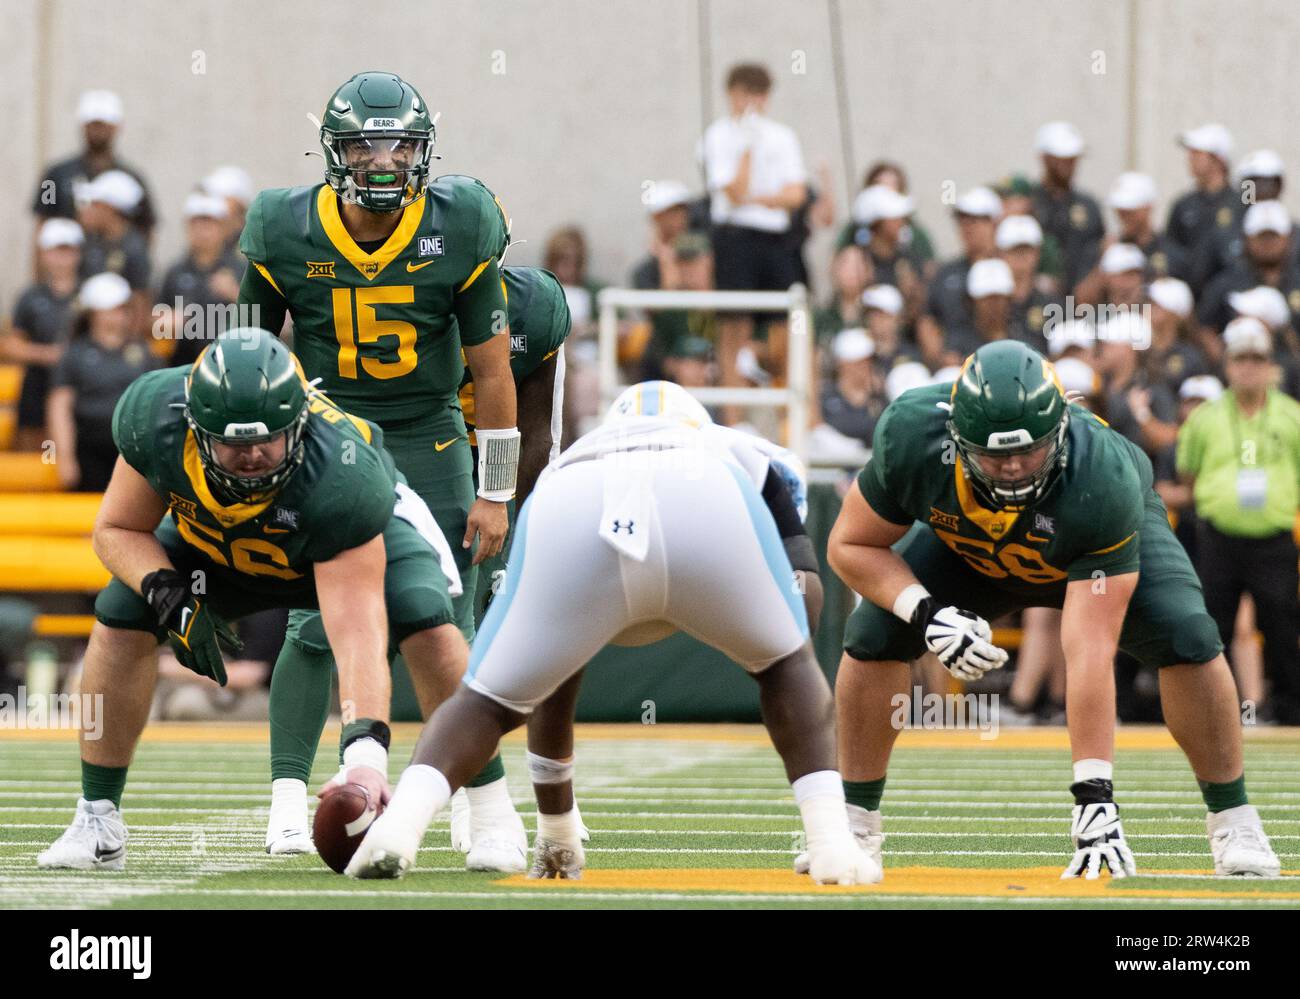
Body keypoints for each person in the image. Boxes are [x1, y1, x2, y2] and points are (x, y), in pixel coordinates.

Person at [345, 381, 879, 886]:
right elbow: (804, 586)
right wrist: (782, 655)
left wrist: (556, 827)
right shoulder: (739, 450)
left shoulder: (576, 456)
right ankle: (830, 839)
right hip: (703, 493)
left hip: (576, 502)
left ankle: (401, 826)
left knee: (486, 702)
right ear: (701, 421)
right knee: (789, 667)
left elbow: (554, 683)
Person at [823, 340, 1280, 879]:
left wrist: (1094, 798)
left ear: (1063, 426)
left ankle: (1234, 817)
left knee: (1188, 636)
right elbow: (850, 545)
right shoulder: (912, 436)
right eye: (995, 455)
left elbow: (1088, 649)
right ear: (956, 439)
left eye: (1029, 451)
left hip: (1080, 546)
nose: (1014, 468)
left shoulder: (1100, 475)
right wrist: (926, 612)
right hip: (974, 554)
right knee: (874, 632)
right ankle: (853, 823)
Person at [36, 329, 466, 870]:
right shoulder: (156, 419)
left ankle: (491, 806)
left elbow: (356, 632)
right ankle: (97, 820)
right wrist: (170, 597)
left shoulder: (342, 473)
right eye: (234, 444)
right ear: (195, 428)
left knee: (425, 617)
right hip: (219, 545)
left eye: (267, 439)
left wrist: (364, 758)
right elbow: (117, 529)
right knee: (123, 610)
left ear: (300, 423)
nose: (253, 456)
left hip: (333, 539)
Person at [235, 71, 526, 869]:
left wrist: (496, 487)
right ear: (334, 150)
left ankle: (474, 797)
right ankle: (289, 798)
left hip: (430, 434)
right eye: (366, 143)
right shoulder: (281, 225)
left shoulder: (462, 220)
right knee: (309, 621)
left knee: (446, 619)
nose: (385, 160)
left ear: (423, 149)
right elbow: (247, 353)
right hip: (325, 435)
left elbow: (494, 374)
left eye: (399, 143)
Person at [1177, 318, 1300, 724]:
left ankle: (1288, 709)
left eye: (1257, 358)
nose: (1249, 367)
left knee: (1282, 625)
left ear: (1269, 365)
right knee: (1214, 626)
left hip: (1273, 537)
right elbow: (1188, 475)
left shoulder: (1291, 416)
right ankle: (1217, 709)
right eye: (1241, 359)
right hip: (1220, 537)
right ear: (1227, 365)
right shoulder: (1205, 418)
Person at [700, 63, 807, 424]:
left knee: (786, 326)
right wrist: (745, 146)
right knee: (734, 326)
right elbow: (733, 190)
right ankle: (735, 418)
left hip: (775, 238)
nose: (753, 103)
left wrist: (760, 200)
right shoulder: (718, 136)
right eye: (746, 93)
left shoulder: (782, 136)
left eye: (759, 95)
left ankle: (791, 419)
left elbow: (796, 194)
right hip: (734, 237)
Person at [46, 273, 157, 491]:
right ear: (94, 313)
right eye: (114, 308)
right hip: (88, 451)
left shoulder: (144, 353)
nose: (121, 314)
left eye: (124, 308)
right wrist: (65, 458)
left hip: (131, 452)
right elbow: (59, 407)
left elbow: (156, 404)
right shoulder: (74, 354)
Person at [31, 90, 155, 242]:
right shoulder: (54, 176)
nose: (97, 131)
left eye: (103, 125)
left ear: (116, 126)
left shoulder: (133, 180)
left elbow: (146, 228)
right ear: (82, 126)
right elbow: (42, 222)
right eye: (93, 125)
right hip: (67, 260)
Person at [1, 219, 82, 449]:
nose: (61, 258)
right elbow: (10, 345)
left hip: (79, 386)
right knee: (33, 443)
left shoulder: (89, 294)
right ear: (44, 254)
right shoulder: (31, 297)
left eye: (68, 250)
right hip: (38, 384)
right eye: (56, 250)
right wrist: (50, 355)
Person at [153, 193, 245, 365]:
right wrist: (166, 321)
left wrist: (235, 294)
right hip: (184, 365)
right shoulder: (175, 271)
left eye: (210, 224)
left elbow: (268, 320)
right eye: (197, 224)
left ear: (224, 228)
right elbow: (155, 321)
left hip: (231, 363)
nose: (203, 232)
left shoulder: (241, 269)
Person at [917, 186, 1002, 367]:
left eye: (974, 220)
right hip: (954, 363)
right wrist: (940, 357)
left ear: (993, 223)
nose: (967, 227)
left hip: (1001, 358)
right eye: (962, 221)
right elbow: (928, 318)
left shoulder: (1006, 269)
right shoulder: (945, 273)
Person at [1029, 122, 1105, 291]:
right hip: (1036, 304)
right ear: (1044, 158)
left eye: (1072, 159)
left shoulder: (1089, 206)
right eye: (1061, 159)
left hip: (1081, 304)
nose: (1069, 165)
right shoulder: (1028, 203)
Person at [1167, 124, 1236, 292]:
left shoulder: (1239, 203)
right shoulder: (1183, 205)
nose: (1190, 158)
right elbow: (1171, 248)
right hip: (1189, 290)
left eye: (1197, 154)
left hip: (1229, 292)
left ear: (1218, 159)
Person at [820, 329, 886, 446]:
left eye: (870, 361)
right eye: (862, 362)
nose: (868, 367)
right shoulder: (826, 397)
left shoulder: (880, 398)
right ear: (844, 364)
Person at [630, 180, 694, 291]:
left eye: (683, 210)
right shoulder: (644, 273)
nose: (681, 217)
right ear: (656, 217)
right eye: (673, 211)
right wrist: (667, 263)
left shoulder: (699, 260)